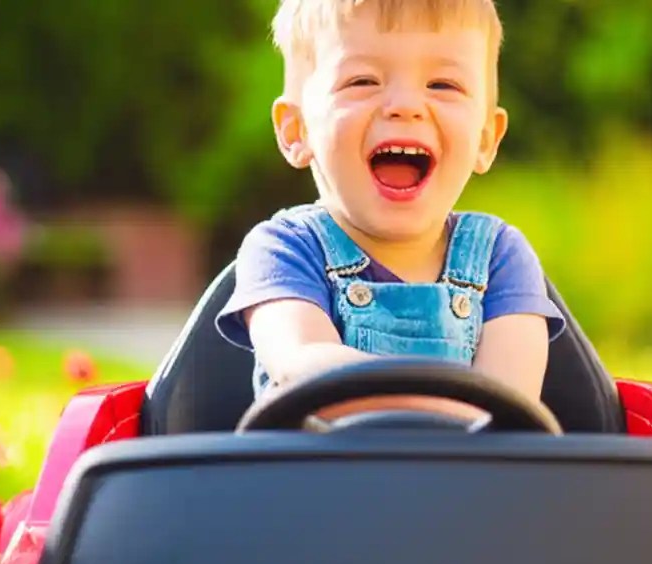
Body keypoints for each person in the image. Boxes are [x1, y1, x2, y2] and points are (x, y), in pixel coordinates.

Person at [216, 0, 565, 420]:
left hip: (467, 485)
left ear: (486, 137)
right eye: (363, 80)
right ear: (297, 130)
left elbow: (510, 404)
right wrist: (445, 410)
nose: (405, 105)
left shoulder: (499, 258)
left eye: (442, 85)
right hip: (312, 484)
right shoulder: (283, 249)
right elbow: (305, 367)